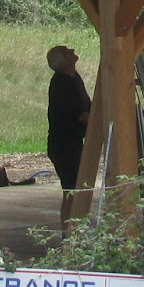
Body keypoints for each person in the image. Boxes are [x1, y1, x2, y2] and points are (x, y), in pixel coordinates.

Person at [46, 44, 90, 221]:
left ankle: (73, 230)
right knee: (72, 191)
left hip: (74, 142)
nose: (73, 51)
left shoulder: (74, 78)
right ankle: (68, 233)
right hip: (64, 145)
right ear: (63, 62)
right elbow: (81, 114)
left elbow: (87, 106)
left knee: (75, 189)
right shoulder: (61, 84)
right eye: (67, 51)